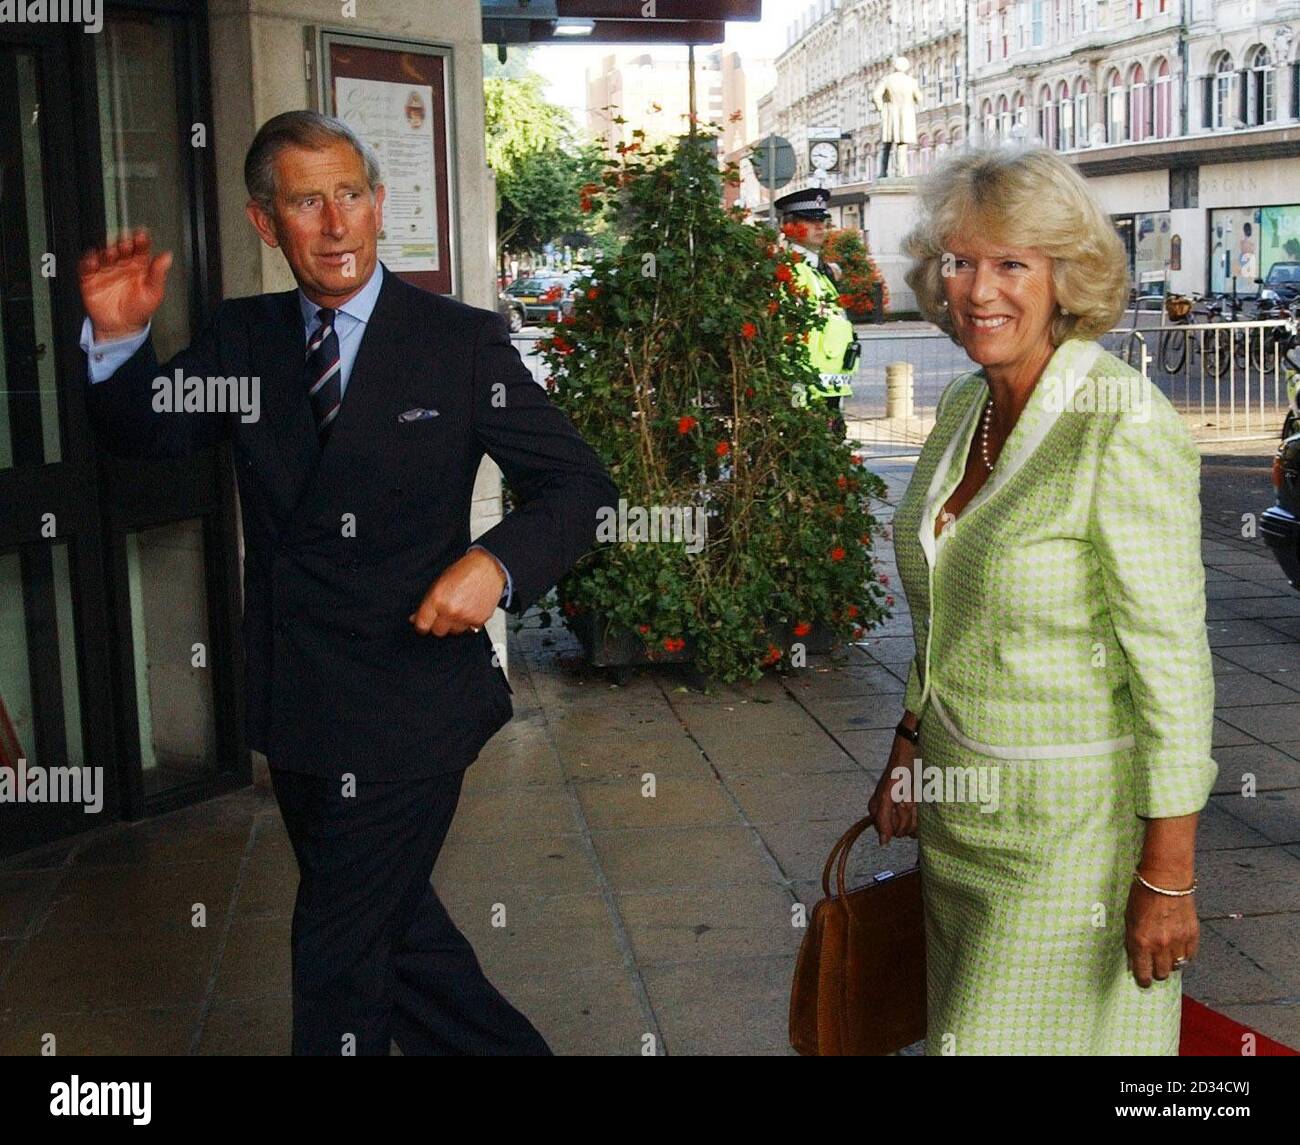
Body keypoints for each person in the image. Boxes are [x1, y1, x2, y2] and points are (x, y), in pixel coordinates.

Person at [77, 110, 618, 1056]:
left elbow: (582, 486)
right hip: (298, 703)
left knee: (336, 954)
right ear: (264, 222)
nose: (336, 225)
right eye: (306, 202)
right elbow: (147, 438)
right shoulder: (243, 340)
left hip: (411, 698)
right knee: (395, 932)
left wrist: (495, 564)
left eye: (352, 195)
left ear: (380, 203)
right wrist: (118, 344)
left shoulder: (457, 343)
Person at [868, 145, 1216, 1055]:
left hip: (1071, 845)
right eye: (960, 261)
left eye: (1012, 263)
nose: (980, 289)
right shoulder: (962, 412)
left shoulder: (1119, 421)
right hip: (961, 827)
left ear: (1066, 278)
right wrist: (910, 741)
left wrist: (1169, 875)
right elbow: (948, 609)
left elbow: (1173, 667)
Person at [773, 186, 858, 439]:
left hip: (829, 384)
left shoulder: (816, 268)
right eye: (811, 221)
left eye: (822, 220)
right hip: (805, 385)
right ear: (788, 226)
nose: (820, 227)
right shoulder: (791, 269)